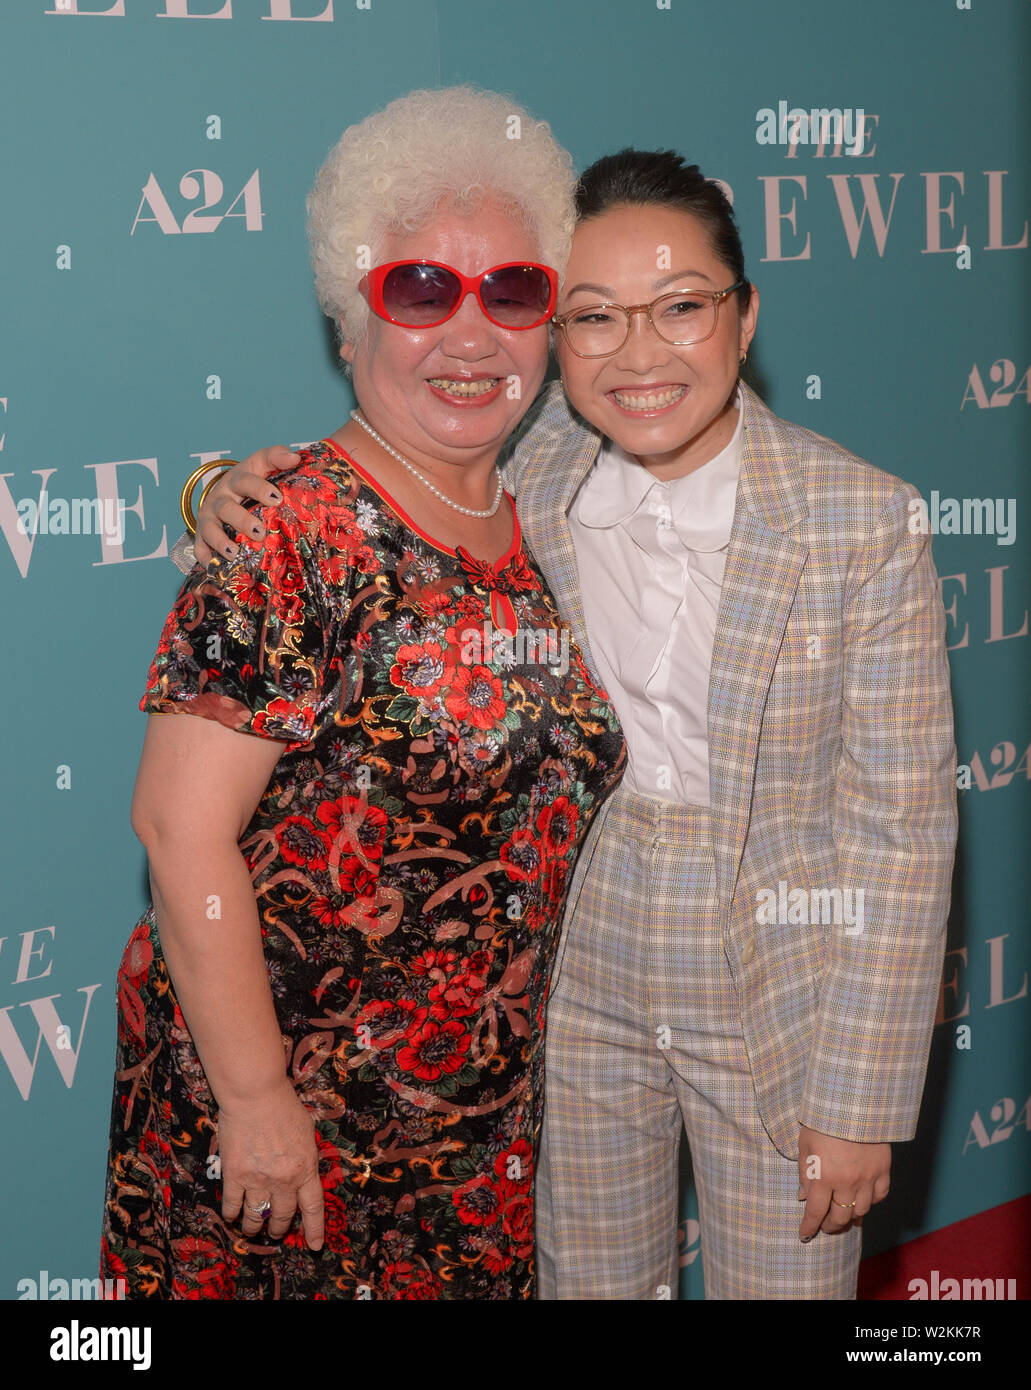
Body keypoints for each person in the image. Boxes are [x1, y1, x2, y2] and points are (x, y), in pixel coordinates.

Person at [186, 148, 957, 1300]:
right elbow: (362, 486)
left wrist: (859, 1100)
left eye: (681, 310)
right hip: (569, 966)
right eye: (594, 318)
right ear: (554, 338)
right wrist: (212, 488)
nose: (639, 356)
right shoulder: (526, 472)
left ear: (744, 320)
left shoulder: (860, 520)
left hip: (778, 995)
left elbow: (902, 832)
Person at [100, 86, 625, 1302]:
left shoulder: (553, 507)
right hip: (293, 1138)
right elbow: (178, 831)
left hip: (481, 1132)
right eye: (420, 290)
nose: (471, 333)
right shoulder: (293, 529)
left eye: (512, 291)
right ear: (351, 323)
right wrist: (255, 1097)